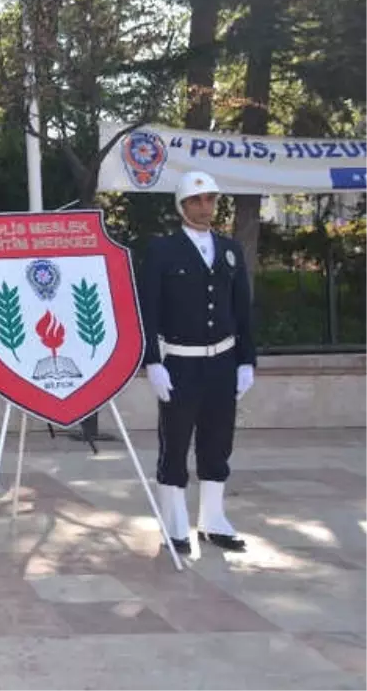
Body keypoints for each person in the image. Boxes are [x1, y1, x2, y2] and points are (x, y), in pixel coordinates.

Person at [139, 170, 256, 555]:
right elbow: (148, 311)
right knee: (175, 443)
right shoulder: (162, 250)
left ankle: (213, 519)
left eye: (210, 200)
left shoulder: (229, 249)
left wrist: (246, 360)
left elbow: (242, 310)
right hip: (181, 364)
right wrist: (152, 362)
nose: (205, 207)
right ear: (182, 205)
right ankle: (174, 524)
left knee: (218, 442)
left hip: (222, 363)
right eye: (197, 201)